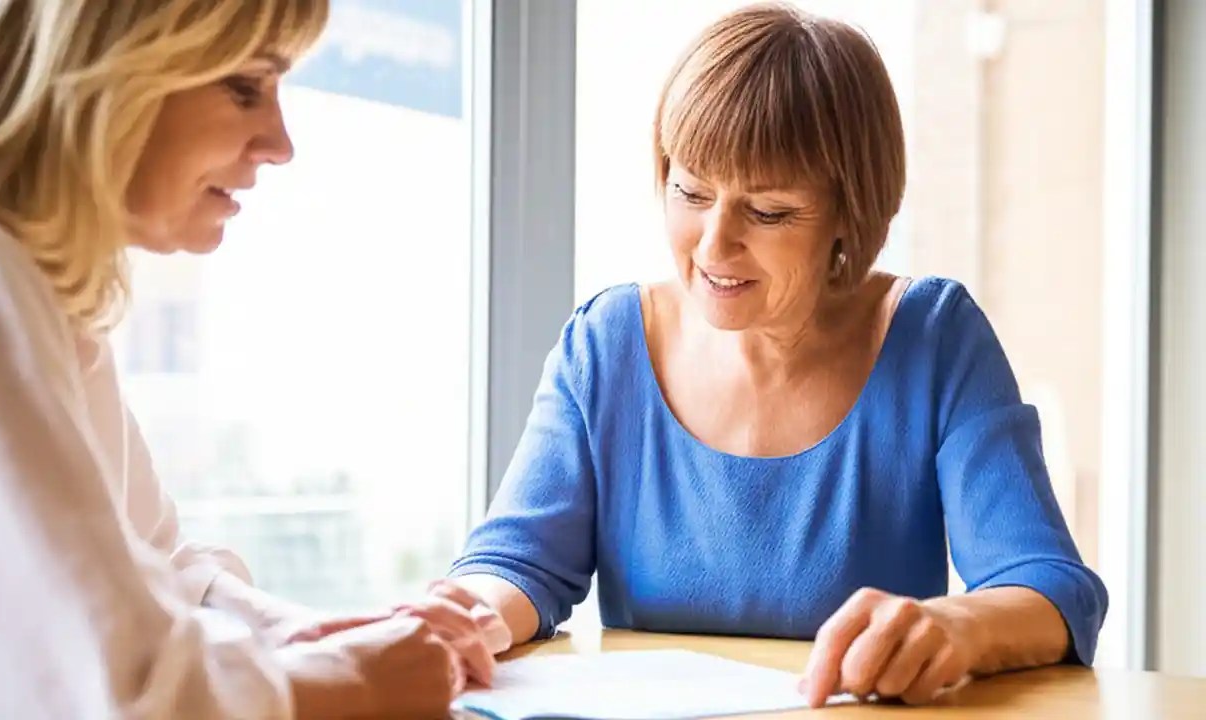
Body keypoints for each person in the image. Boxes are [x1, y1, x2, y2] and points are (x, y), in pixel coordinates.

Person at [429, 1, 1108, 708]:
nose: (714, 245)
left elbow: (1050, 587)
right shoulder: (605, 345)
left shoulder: (932, 339)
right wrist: (463, 618)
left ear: (850, 213)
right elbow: (515, 563)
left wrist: (952, 627)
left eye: (768, 212)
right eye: (689, 191)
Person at [0, 1, 501, 717]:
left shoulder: (51, 299)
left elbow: (154, 564)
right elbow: (113, 694)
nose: (280, 143)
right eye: (244, 88)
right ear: (104, 70)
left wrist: (284, 629)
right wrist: (343, 684)